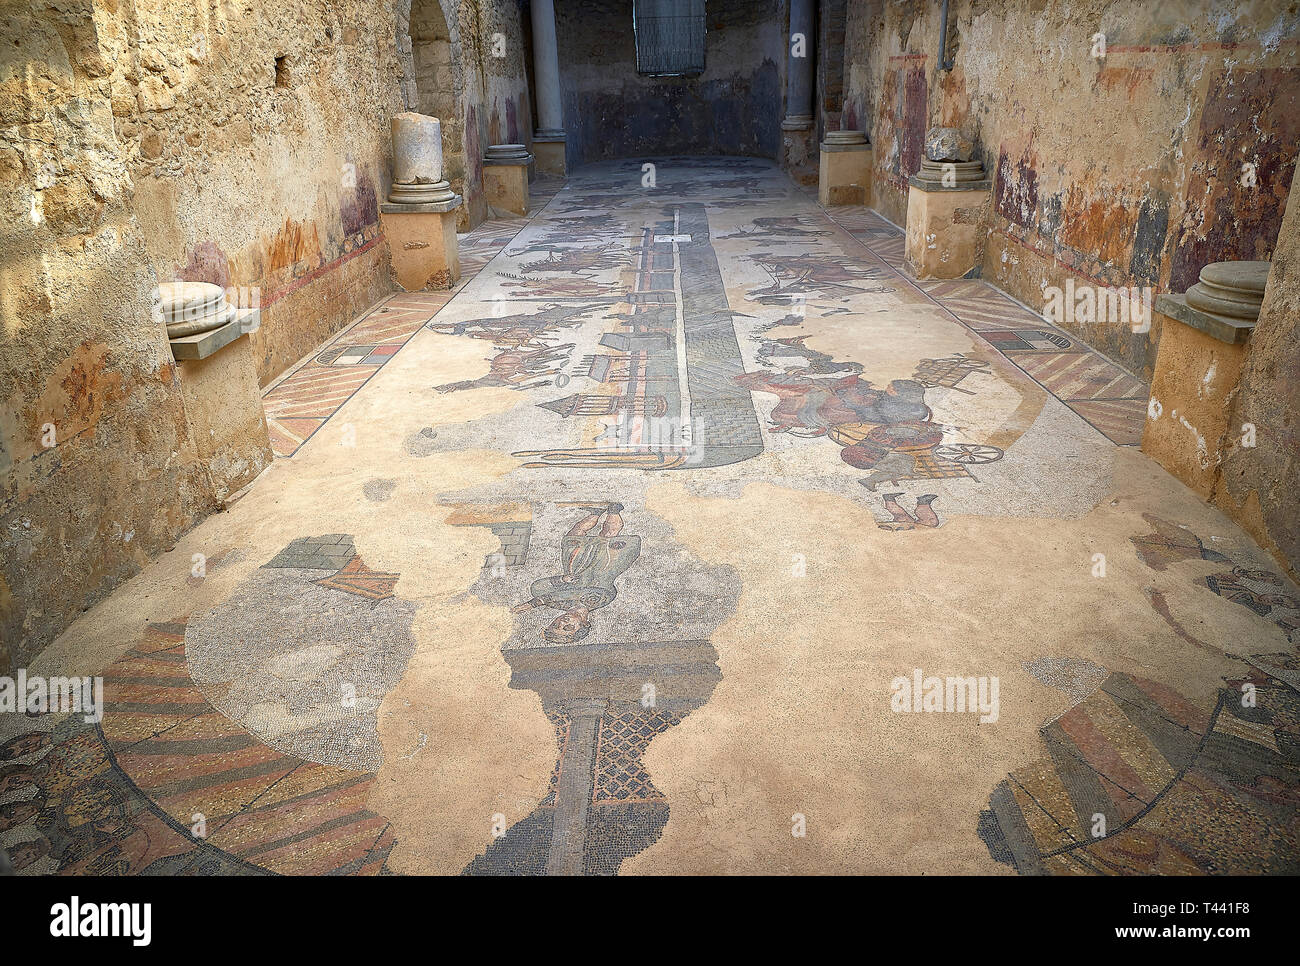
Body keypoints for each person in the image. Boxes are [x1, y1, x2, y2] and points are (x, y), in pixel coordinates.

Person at [512, 503, 641, 643]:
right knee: (608, 536)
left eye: (555, 625)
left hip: (576, 564)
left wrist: (562, 580)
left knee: (575, 534)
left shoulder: (557, 603)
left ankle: (596, 513)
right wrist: (535, 603)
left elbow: (537, 587)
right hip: (603, 563)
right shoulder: (599, 601)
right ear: (584, 624)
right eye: (568, 627)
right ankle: (613, 511)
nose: (562, 623)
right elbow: (578, 593)